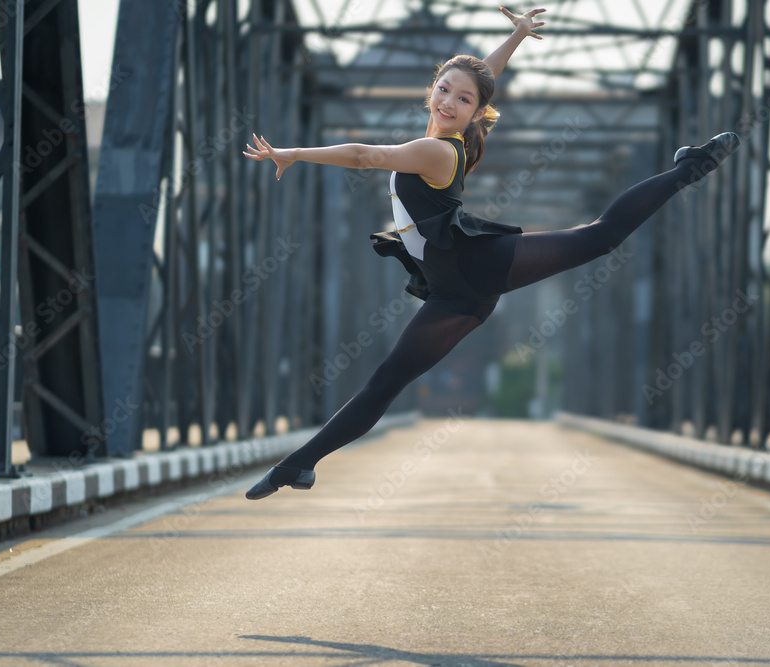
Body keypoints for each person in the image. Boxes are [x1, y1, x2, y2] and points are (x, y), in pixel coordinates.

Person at [242, 6, 739, 499]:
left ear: (475, 112)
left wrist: (292, 153)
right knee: (385, 382)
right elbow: (484, 78)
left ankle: (689, 168)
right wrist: (517, 37)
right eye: (443, 90)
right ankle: (299, 466)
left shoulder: (437, 151)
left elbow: (365, 156)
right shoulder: (458, 134)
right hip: (455, 294)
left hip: (473, 265)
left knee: (599, 236)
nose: (449, 102)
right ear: (431, 91)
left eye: (462, 100)